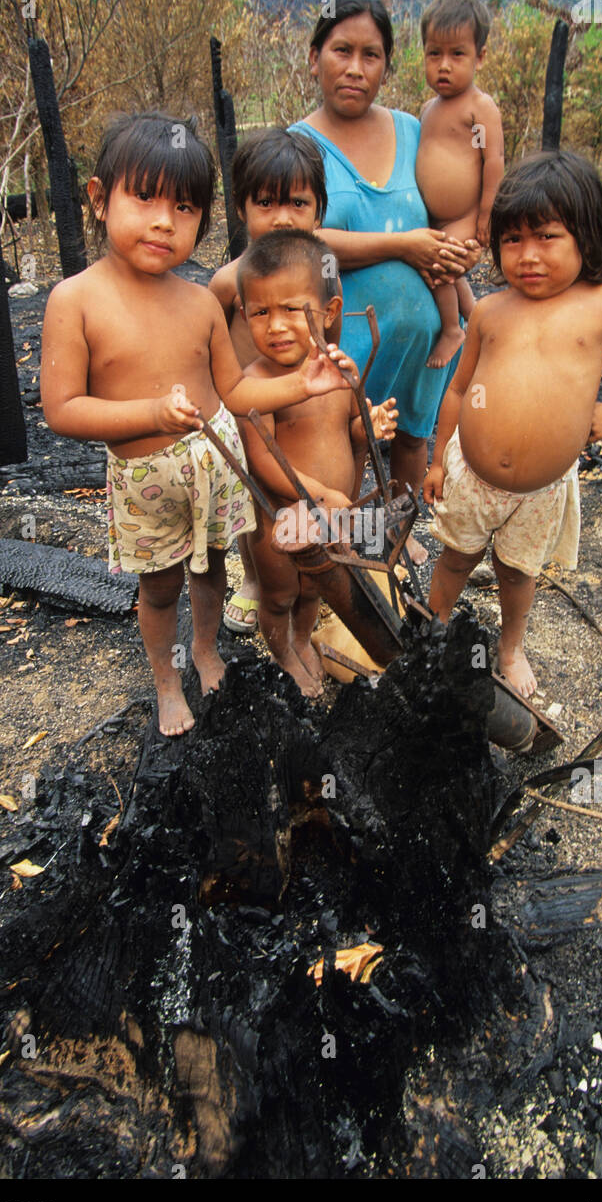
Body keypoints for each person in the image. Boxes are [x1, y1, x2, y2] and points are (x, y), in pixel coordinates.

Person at [41, 111, 354, 736]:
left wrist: (305, 382)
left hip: (211, 465)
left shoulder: (201, 302)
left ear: (204, 222)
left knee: (211, 569)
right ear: (100, 201)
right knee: (159, 589)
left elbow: (237, 391)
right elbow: (63, 408)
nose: (164, 220)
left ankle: (205, 649)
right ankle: (165, 678)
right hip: (144, 477)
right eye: (145, 197)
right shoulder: (75, 300)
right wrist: (150, 414)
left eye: (184, 208)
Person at [425, 150, 602, 698]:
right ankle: (433, 630)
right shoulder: (491, 311)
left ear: (586, 237)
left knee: (518, 573)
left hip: (541, 491)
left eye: (547, 237)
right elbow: (456, 387)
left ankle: (510, 647)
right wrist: (435, 459)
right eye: (513, 240)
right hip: (471, 478)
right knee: (454, 559)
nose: (528, 256)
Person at [290, 0, 477, 565]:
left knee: (412, 436)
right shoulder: (300, 145)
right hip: (344, 339)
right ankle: (331, 547)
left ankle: (395, 529)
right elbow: (301, 241)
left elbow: (445, 207)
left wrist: (458, 248)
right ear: (315, 55)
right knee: (342, 439)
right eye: (340, 50)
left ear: (387, 66)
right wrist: (404, 244)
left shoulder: (413, 130)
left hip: (424, 337)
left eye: (371, 55)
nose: (354, 68)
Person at [238, 229, 398, 698]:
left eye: (291, 308)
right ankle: (282, 649)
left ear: (328, 313)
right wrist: (320, 493)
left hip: (330, 515)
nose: (277, 325)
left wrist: (370, 422)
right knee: (281, 594)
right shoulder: (257, 382)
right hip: (281, 521)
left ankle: (302, 637)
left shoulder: (338, 366)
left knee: (313, 591)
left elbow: (350, 428)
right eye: (260, 312)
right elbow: (263, 461)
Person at [209, 127, 329, 636]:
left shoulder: (323, 278)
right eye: (266, 203)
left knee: (291, 493)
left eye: (297, 203)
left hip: (296, 410)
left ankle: (308, 577)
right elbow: (205, 344)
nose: (282, 218)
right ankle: (256, 579)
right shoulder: (226, 282)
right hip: (241, 414)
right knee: (249, 502)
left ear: (319, 211)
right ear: (241, 209)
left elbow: (328, 352)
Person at [416, 0, 504, 368]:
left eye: (457, 54)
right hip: (434, 218)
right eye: (434, 53)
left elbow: (493, 161)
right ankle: (480, 321)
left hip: (465, 214)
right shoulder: (427, 109)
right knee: (448, 272)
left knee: (440, 268)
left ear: (480, 57)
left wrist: (486, 215)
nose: (444, 65)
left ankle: (452, 329)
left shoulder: (478, 109)